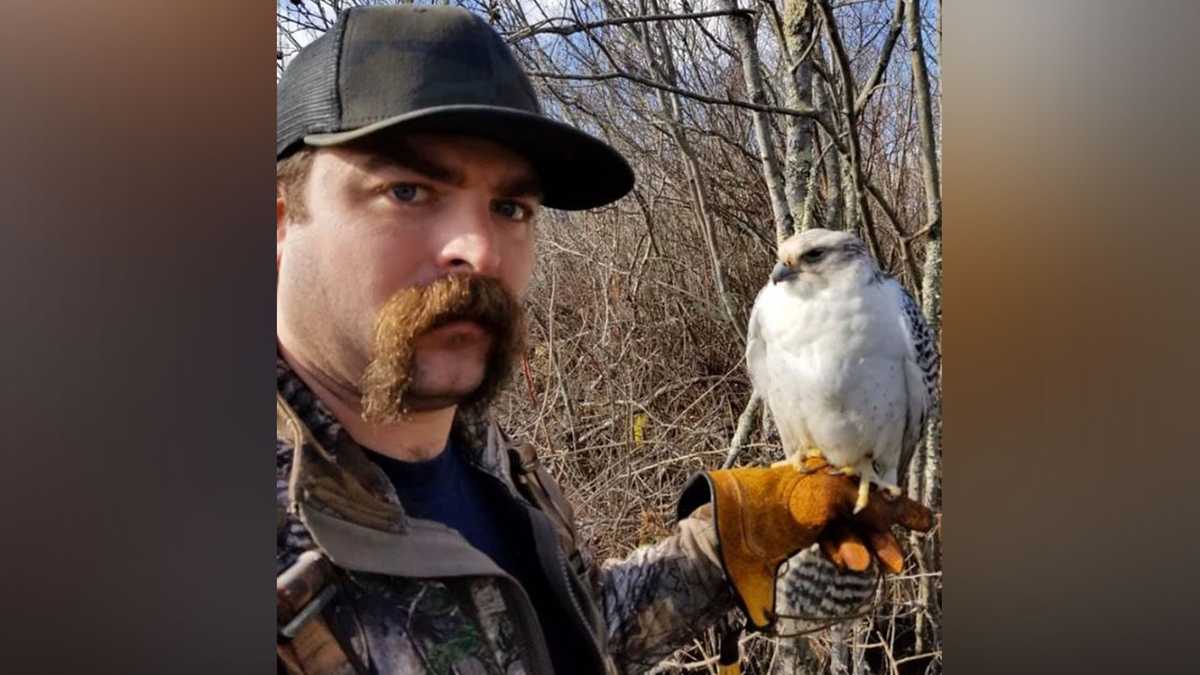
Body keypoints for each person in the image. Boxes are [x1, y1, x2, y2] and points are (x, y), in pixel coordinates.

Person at [274, 6, 932, 675]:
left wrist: (729, 540)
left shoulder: (485, 457)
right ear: (276, 222)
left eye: (510, 208)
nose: (479, 250)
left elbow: (568, 637)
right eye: (407, 191)